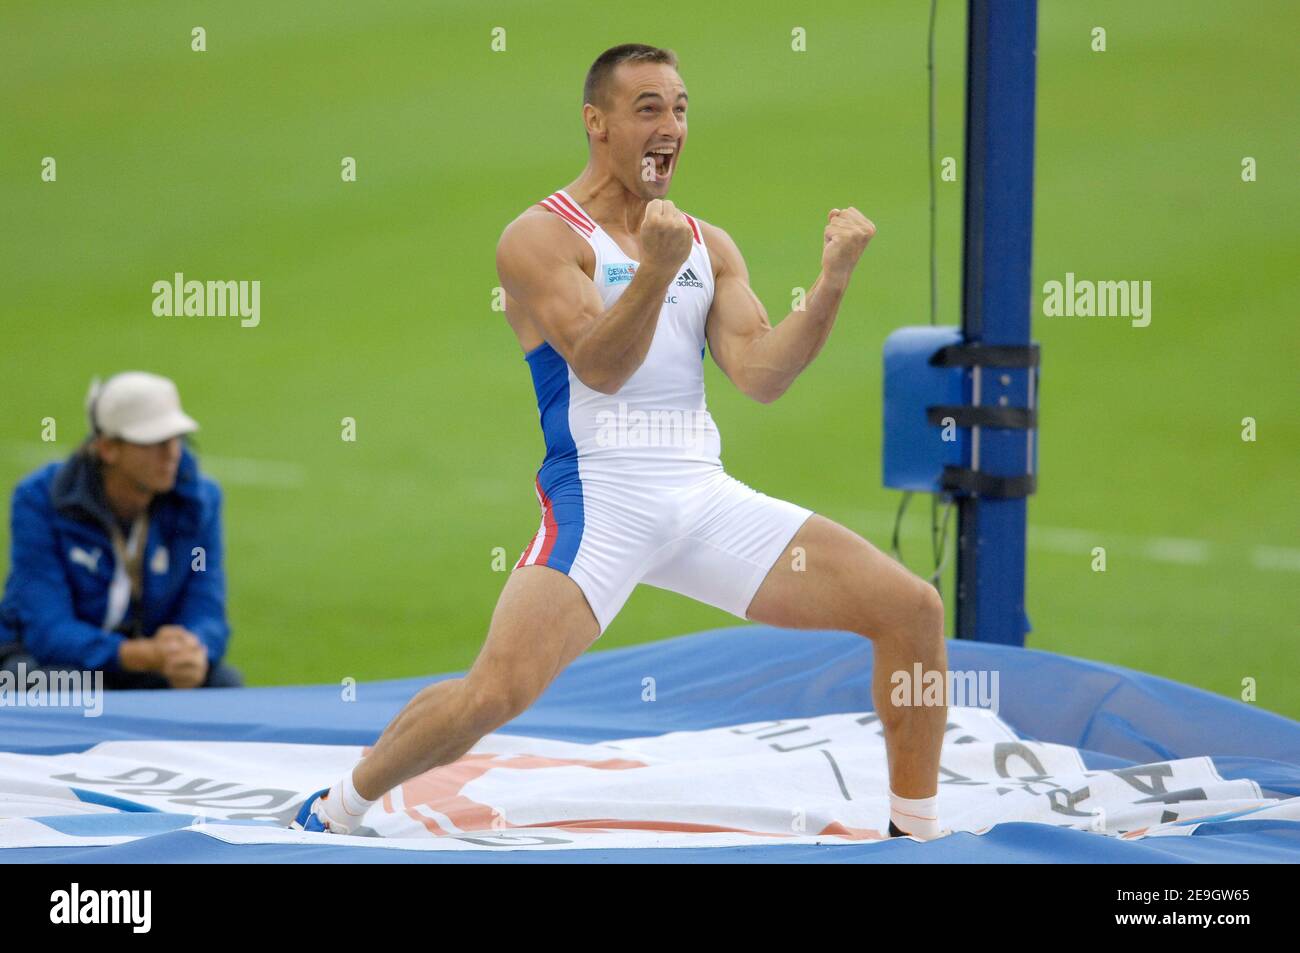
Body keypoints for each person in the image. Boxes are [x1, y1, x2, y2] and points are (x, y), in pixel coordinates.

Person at [294, 44, 949, 839]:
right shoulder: (539, 238)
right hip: (600, 500)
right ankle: (339, 805)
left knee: (911, 609)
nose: (669, 127)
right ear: (596, 123)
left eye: (679, 109)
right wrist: (653, 271)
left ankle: (915, 836)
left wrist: (832, 284)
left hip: (702, 497)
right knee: (493, 694)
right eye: (648, 109)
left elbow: (762, 375)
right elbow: (600, 367)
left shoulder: (707, 244)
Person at [0, 371, 240, 689]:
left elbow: (207, 606)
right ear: (108, 448)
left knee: (223, 682)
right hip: (60, 663)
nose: (172, 453)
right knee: (38, 683)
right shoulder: (40, 499)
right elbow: (48, 631)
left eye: (177, 438)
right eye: (154, 441)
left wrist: (193, 649)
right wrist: (135, 655)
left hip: (151, 661)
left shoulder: (200, 501)